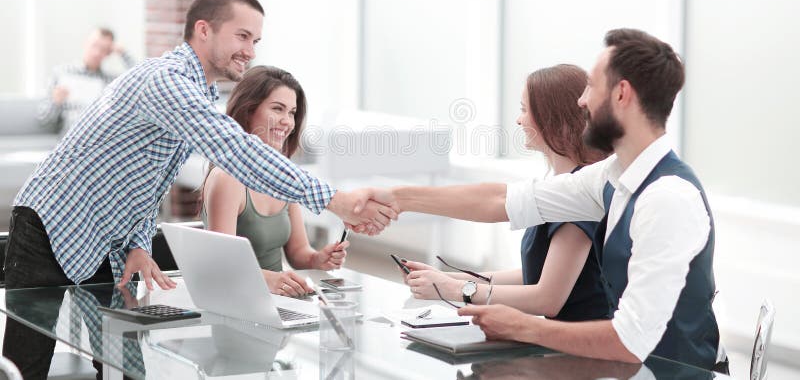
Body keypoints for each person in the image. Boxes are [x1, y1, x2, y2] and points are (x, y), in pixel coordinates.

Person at [3, 0, 397, 379]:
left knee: (126, 364)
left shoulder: (195, 90)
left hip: (103, 239)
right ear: (204, 30)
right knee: (26, 364)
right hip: (51, 225)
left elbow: (145, 181)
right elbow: (237, 149)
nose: (251, 51)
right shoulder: (166, 81)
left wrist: (138, 244)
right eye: (242, 36)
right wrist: (334, 199)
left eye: (256, 40)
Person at [382, 29, 726, 372]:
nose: (581, 101)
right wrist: (396, 198)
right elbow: (501, 199)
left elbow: (629, 340)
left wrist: (518, 323)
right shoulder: (611, 176)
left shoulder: (667, 199)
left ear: (622, 94)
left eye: (591, 86)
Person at [398, 64, 610, 322]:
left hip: (580, 349)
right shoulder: (559, 187)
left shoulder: (577, 197)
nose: (518, 120)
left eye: (524, 110)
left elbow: (548, 298)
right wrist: (444, 278)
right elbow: (534, 275)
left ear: (552, 118)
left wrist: (455, 289)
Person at [202, 66, 349, 297]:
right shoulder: (227, 178)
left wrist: (318, 258)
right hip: (237, 300)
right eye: (277, 109)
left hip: (279, 301)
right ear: (249, 110)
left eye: (291, 112)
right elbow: (224, 265)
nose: (287, 122)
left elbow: (298, 252)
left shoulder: (283, 174)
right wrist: (270, 279)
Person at [38, 27, 135, 132]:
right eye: (94, 45)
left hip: (100, 132)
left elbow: (138, 79)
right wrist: (55, 102)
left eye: (103, 49)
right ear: (86, 44)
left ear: (108, 53)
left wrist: (123, 53)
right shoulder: (62, 72)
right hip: (72, 133)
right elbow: (43, 119)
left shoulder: (110, 81)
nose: (97, 53)